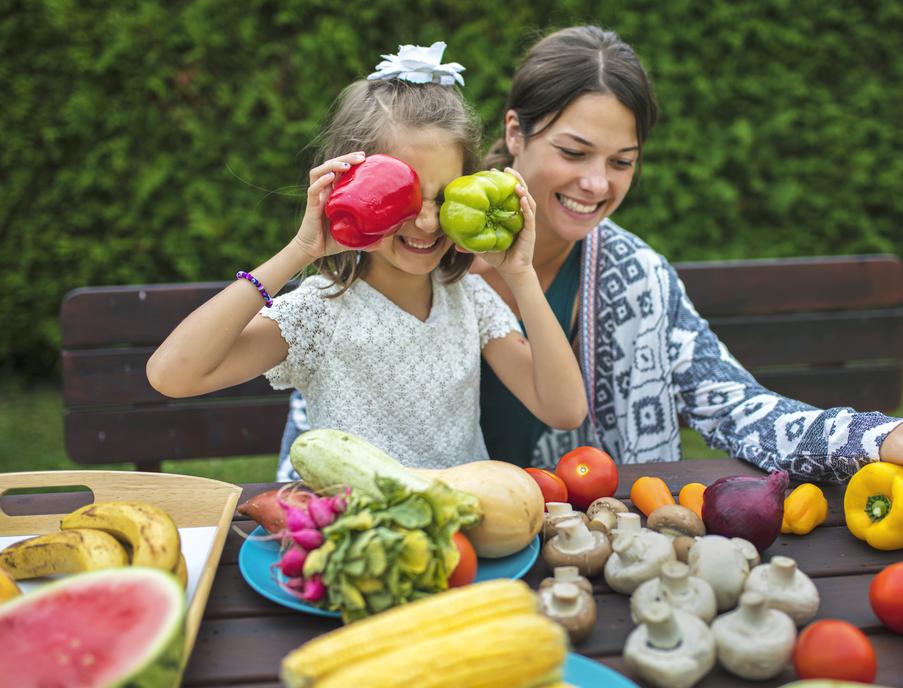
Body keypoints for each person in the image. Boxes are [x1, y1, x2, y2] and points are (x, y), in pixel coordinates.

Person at [283, 27, 903, 515]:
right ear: (517, 131)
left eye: (623, 161)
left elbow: (731, 404)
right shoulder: (412, 239)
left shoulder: (636, 276)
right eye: (575, 150)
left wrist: (877, 436)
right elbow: (320, 409)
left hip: (576, 553)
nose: (596, 185)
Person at [146, 42, 589, 480]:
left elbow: (564, 409)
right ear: (348, 191)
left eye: (444, 197)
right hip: (359, 532)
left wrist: (521, 277)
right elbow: (173, 376)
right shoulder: (320, 312)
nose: (428, 222)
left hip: (462, 528)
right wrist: (298, 251)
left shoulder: (469, 300)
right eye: (404, 199)